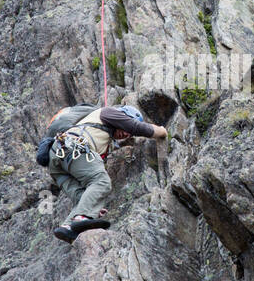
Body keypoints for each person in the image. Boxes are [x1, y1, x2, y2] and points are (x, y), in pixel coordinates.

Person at [37, 103, 168, 243]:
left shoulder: (105, 140)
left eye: (128, 134)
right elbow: (137, 127)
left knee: (83, 197)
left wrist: (93, 207)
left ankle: (68, 227)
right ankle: (82, 217)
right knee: (101, 182)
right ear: (124, 117)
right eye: (126, 127)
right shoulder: (108, 113)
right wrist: (162, 131)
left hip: (57, 164)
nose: (126, 133)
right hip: (72, 148)